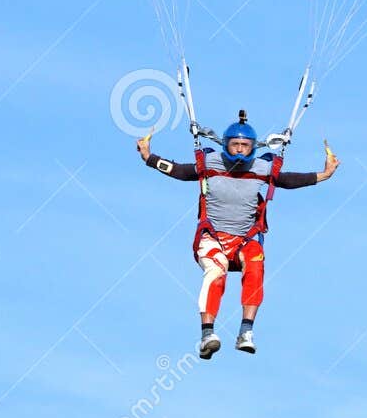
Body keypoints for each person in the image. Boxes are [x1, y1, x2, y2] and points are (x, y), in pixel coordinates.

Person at [138, 112, 338, 358]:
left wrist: (323, 174)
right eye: (235, 144)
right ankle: (207, 335)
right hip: (212, 239)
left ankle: (246, 331)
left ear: (253, 147)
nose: (240, 150)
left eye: (245, 145)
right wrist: (149, 157)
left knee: (256, 262)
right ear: (226, 145)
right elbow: (178, 170)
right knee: (216, 270)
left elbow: (288, 180)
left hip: (244, 240)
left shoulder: (262, 168)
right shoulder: (210, 165)